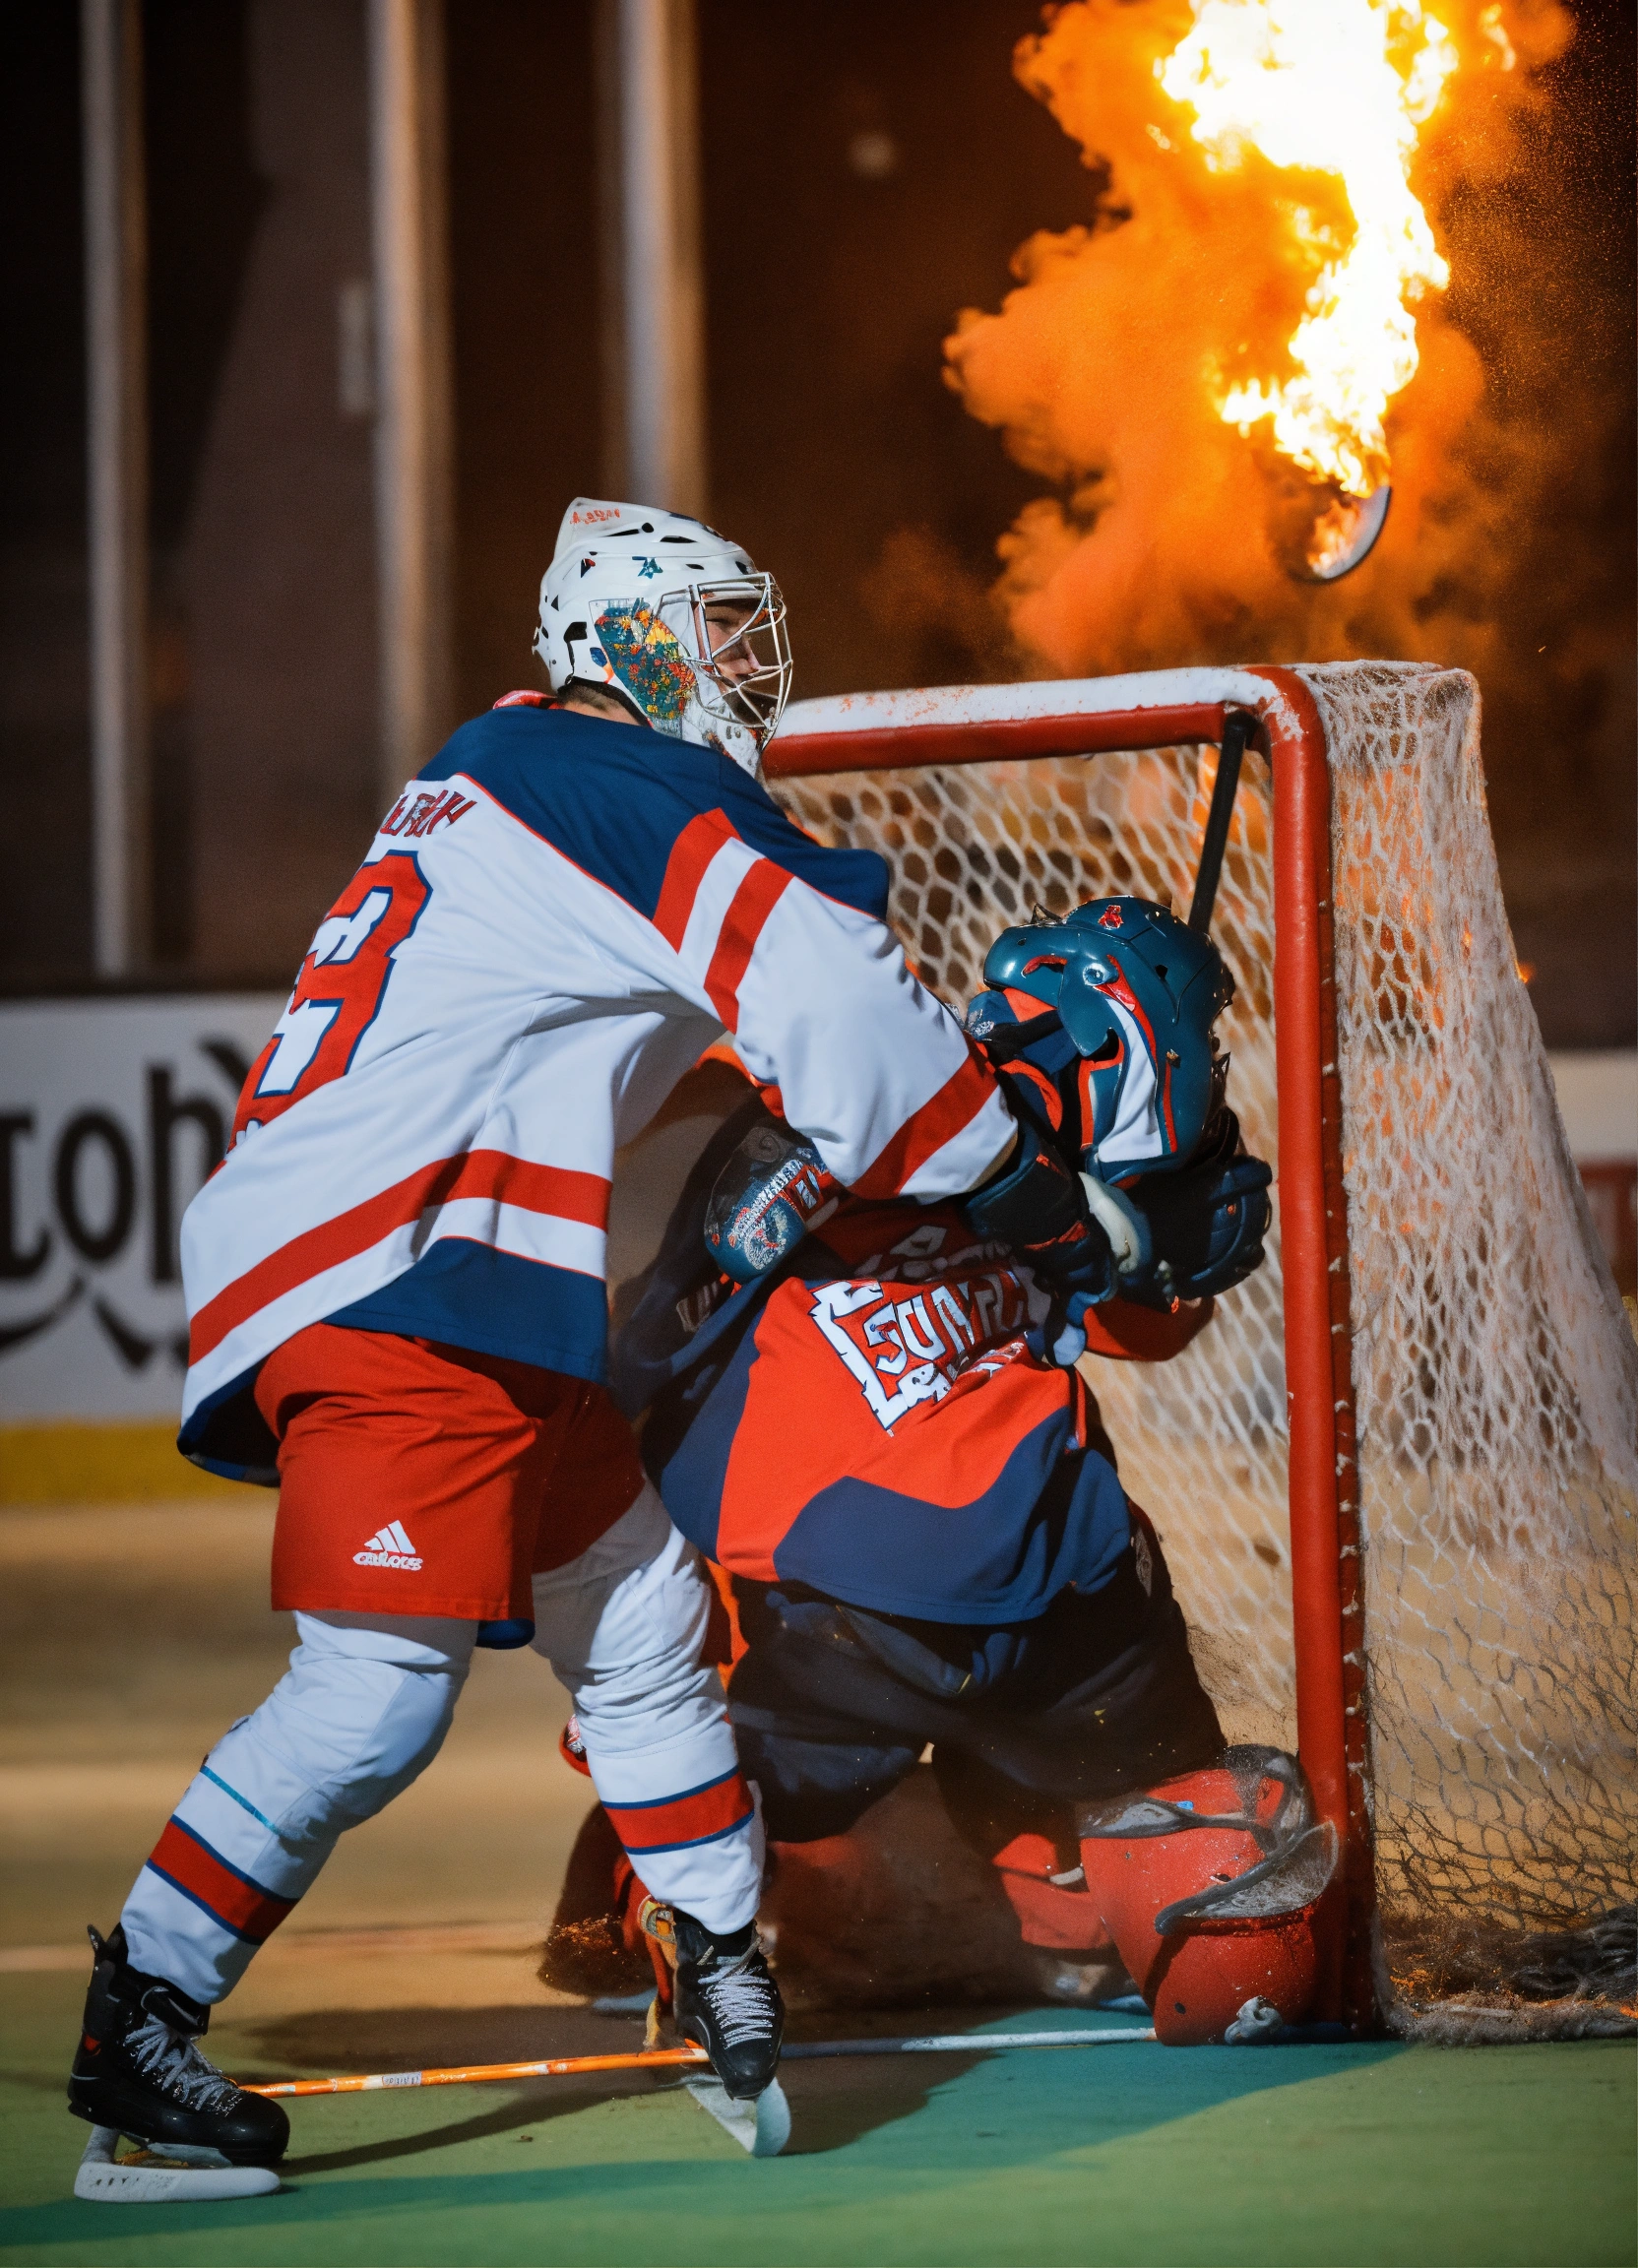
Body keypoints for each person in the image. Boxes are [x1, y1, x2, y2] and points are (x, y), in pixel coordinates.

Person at [68, 500, 1107, 2166]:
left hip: (462, 1262)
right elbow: (844, 1013)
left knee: (635, 1615)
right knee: (375, 1688)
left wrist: (860, 1096)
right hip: (402, 1267)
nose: (737, 663)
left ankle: (718, 1969)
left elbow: (646, 1039)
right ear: (621, 638)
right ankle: (141, 2024)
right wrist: (1023, 1181)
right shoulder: (617, 786)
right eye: (709, 626)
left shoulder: (523, 777)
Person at [610, 897, 1335, 2044]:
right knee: (1168, 1812)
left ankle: (672, 1900)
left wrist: (1150, 1232)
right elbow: (673, 1188)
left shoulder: (1042, 1169)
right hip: (1010, 1584)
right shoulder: (874, 1106)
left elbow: (1148, 1315)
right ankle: (1087, 1893)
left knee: (691, 1775)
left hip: (886, 1610)